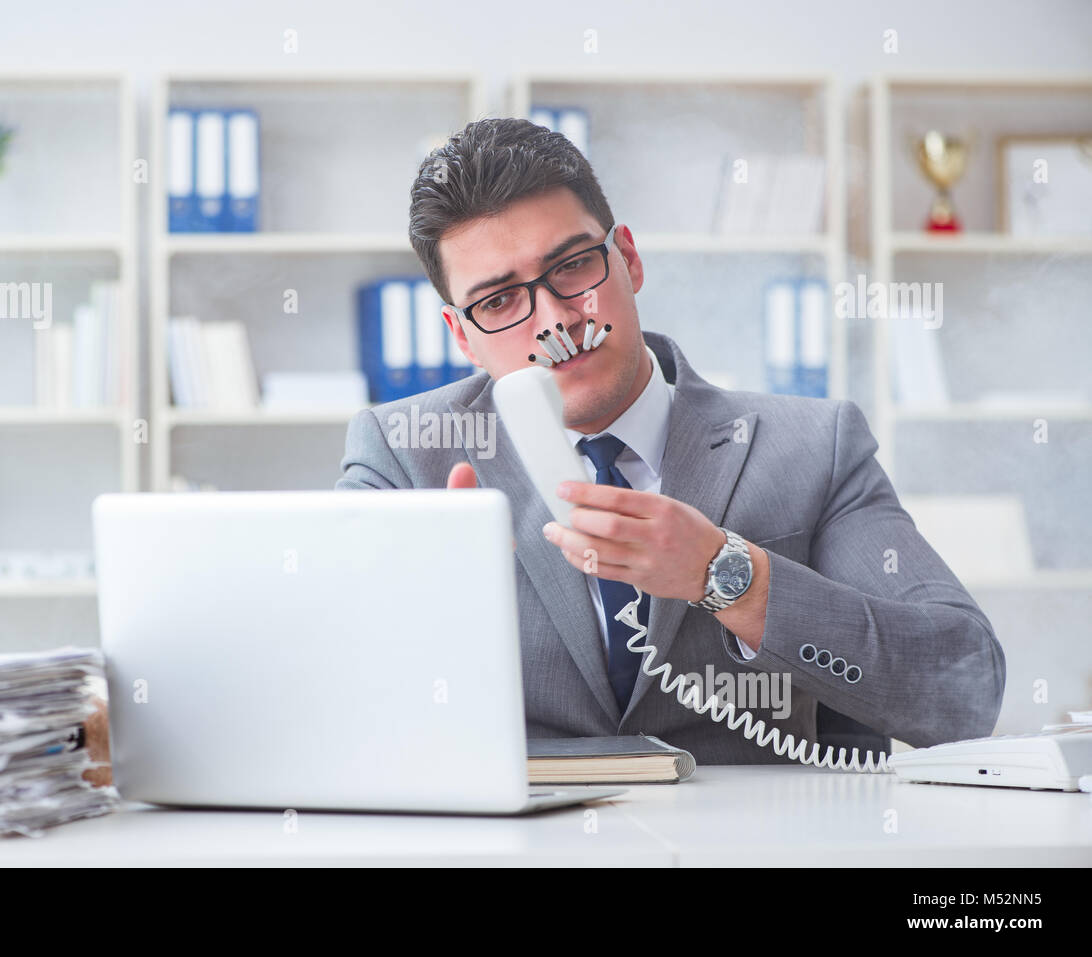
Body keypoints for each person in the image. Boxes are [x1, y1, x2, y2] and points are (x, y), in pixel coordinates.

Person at [335, 117, 1005, 762]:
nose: (555, 319)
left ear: (627, 257)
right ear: (462, 335)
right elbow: (326, 694)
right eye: (500, 300)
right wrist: (423, 614)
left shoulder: (812, 447)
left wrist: (731, 577)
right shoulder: (404, 455)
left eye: (571, 265)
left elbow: (963, 688)